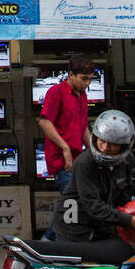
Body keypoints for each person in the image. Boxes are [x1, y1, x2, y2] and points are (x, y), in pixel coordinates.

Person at [44, 110, 135, 262]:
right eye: (102, 141)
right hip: (72, 230)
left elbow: (123, 195)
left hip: (100, 228)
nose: (105, 148)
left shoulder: (127, 161)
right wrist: (130, 220)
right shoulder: (85, 163)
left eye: (112, 144)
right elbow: (94, 206)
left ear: (124, 146)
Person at [37, 55, 95, 239]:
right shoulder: (56, 92)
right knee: (72, 201)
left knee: (71, 201)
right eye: (83, 78)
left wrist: (96, 151)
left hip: (78, 159)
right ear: (71, 75)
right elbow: (44, 122)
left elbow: (83, 126)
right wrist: (65, 148)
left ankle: (50, 239)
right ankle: (57, 241)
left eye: (90, 79)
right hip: (62, 160)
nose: (87, 83)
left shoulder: (82, 95)